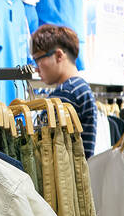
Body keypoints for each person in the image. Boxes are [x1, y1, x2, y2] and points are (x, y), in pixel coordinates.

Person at [31, 23, 97, 158]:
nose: (37, 68)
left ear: (58, 55)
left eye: (38, 60)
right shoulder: (79, 88)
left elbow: (47, 151)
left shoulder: (66, 94)